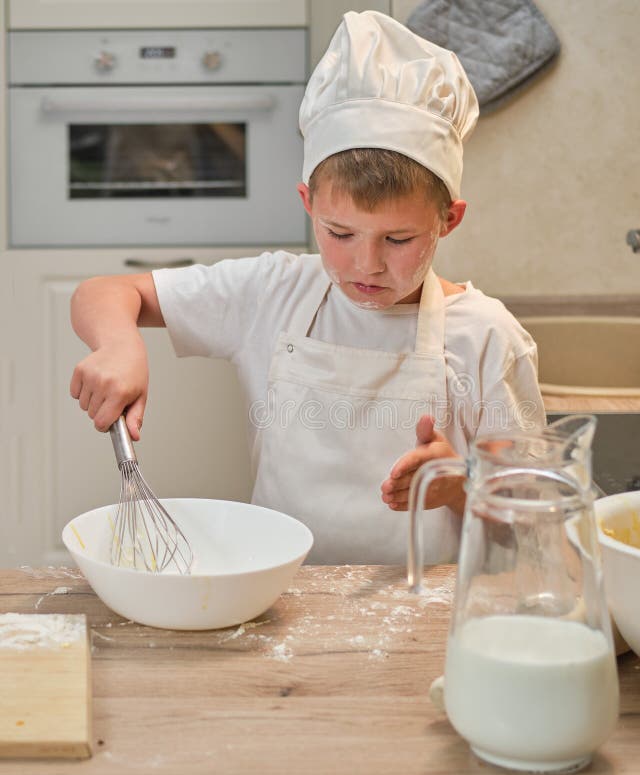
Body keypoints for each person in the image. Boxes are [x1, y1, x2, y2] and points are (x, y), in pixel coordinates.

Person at [69, 11, 545, 565]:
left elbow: (535, 513)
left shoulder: (488, 338)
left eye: (398, 238)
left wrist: (459, 487)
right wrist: (119, 344)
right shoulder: (273, 292)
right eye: (339, 233)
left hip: (426, 624)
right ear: (308, 205)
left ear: (448, 220)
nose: (366, 264)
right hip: (280, 600)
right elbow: (103, 292)